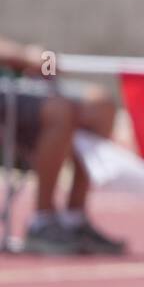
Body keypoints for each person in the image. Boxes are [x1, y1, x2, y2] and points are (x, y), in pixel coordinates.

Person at [0, 35, 127, 255]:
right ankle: (43, 220)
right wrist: (24, 56)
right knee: (59, 111)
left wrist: (29, 59)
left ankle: (74, 219)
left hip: (16, 85)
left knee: (101, 105)